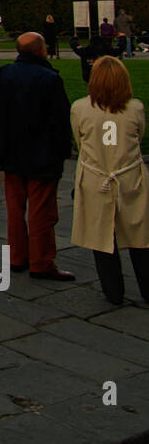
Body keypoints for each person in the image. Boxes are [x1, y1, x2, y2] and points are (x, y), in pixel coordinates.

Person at [0, 31, 75, 281]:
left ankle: (17, 256)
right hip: (41, 156)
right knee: (41, 211)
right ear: (41, 50)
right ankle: (41, 261)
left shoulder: (0, 75)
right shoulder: (49, 79)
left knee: (14, 208)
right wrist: (63, 150)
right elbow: (60, 122)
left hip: (10, 154)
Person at [70, 57, 149, 303]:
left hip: (97, 178)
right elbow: (140, 135)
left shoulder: (80, 108)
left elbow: (79, 140)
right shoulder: (135, 108)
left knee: (102, 236)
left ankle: (113, 290)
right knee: (140, 236)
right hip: (128, 177)